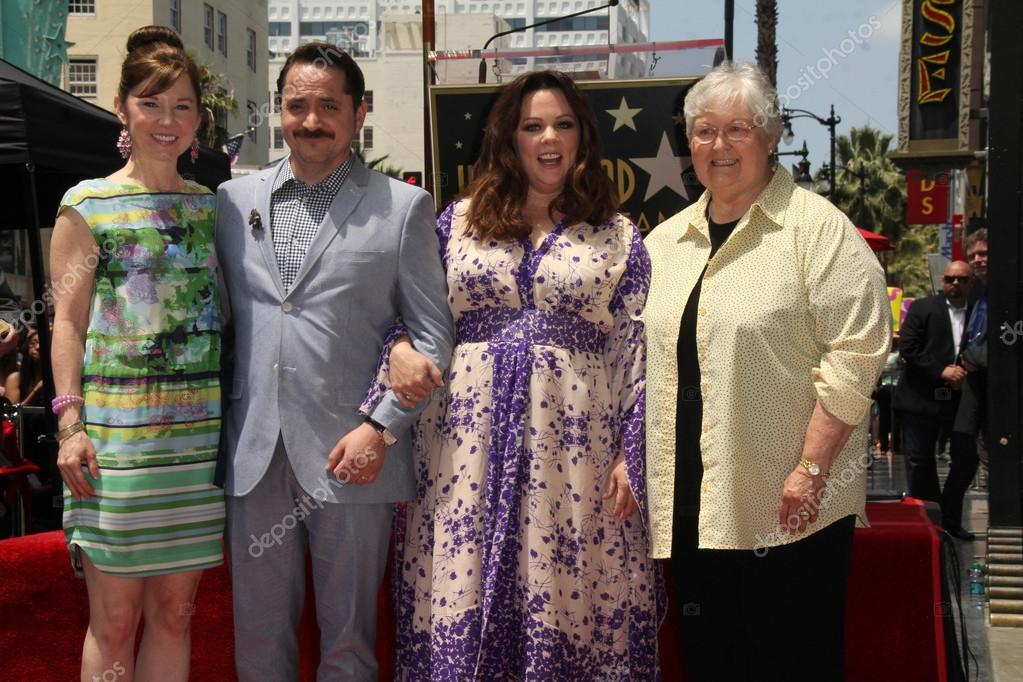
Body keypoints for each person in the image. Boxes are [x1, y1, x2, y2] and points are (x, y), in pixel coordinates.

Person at [371, 70, 660, 680]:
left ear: (582, 137)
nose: (548, 137)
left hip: (575, 461)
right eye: (532, 126)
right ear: (510, 139)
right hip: (461, 460)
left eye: (562, 124)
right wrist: (398, 346)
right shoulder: (455, 223)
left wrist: (631, 455)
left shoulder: (621, 238)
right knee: (461, 593)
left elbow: (636, 356)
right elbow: (415, 319)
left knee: (570, 601)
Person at [643, 62, 890, 681]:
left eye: (738, 129)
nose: (719, 146)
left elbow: (857, 355)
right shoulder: (664, 243)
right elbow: (637, 363)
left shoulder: (819, 231)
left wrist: (811, 470)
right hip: (693, 507)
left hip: (790, 508)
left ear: (772, 134)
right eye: (704, 131)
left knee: (790, 663)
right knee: (711, 663)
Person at [215, 43, 453, 681]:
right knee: (259, 646)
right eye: (298, 105)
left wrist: (379, 427)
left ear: (359, 113)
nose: (311, 120)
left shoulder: (402, 208)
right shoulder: (232, 204)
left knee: (349, 647)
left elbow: (435, 338)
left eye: (328, 106)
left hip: (355, 455)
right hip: (254, 453)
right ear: (279, 111)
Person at [50, 26, 223, 681]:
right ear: (123, 107)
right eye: (152, 103)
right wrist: (70, 424)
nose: (166, 120)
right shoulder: (87, 204)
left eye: (182, 106)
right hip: (113, 445)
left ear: (198, 119)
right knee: (114, 621)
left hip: (196, 443)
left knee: (176, 614)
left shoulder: (215, 209)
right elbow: (64, 323)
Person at [894, 260, 977, 539]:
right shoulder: (923, 308)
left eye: (962, 279)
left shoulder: (980, 311)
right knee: (920, 462)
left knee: (966, 460)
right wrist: (941, 370)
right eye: (950, 279)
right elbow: (908, 347)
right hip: (921, 399)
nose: (956, 284)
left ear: (970, 283)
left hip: (960, 401)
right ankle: (930, 523)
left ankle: (950, 517)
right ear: (943, 282)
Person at [952, 229, 988, 501]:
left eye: (983, 253)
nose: (977, 260)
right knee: (967, 452)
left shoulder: (1008, 290)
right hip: (974, 389)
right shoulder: (977, 295)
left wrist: (973, 358)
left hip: (997, 390)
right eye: (973, 255)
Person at [4, 327, 43, 406]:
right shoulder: (16, 379)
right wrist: (36, 390)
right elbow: (14, 412)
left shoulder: (56, 377)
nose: (38, 347)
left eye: (42, 343)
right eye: (33, 343)